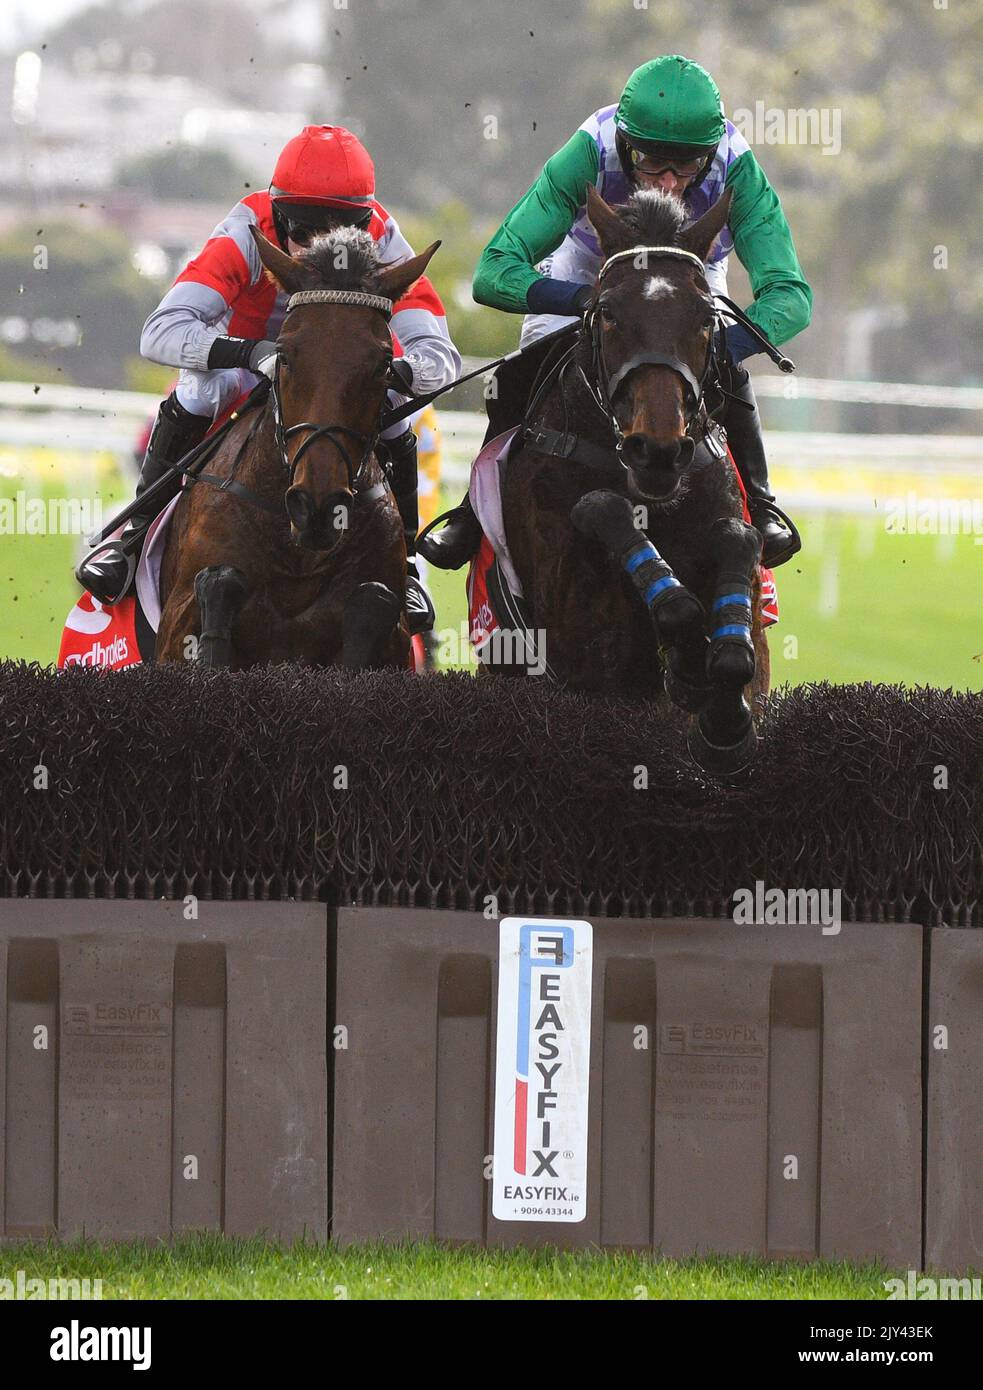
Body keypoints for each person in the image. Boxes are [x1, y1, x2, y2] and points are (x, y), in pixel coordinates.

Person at [419, 54, 811, 571]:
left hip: (689, 272)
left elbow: (790, 295)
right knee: (531, 360)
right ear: (624, 145)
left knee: (722, 364)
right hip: (592, 267)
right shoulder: (589, 149)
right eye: (652, 162)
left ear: (711, 152)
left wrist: (720, 346)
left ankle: (760, 504)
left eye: (688, 165)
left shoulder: (737, 167)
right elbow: (495, 271)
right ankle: (472, 514)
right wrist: (581, 302)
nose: (669, 182)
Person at [77, 124, 461, 622]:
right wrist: (251, 353)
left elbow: (441, 354)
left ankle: (404, 564)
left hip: (335, 379)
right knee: (200, 386)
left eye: (337, 229)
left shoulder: (384, 237)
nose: (315, 247)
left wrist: (394, 372)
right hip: (250, 367)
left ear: (364, 222)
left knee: (394, 413)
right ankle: (132, 539)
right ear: (277, 211)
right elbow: (160, 332)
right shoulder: (245, 230)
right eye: (302, 229)